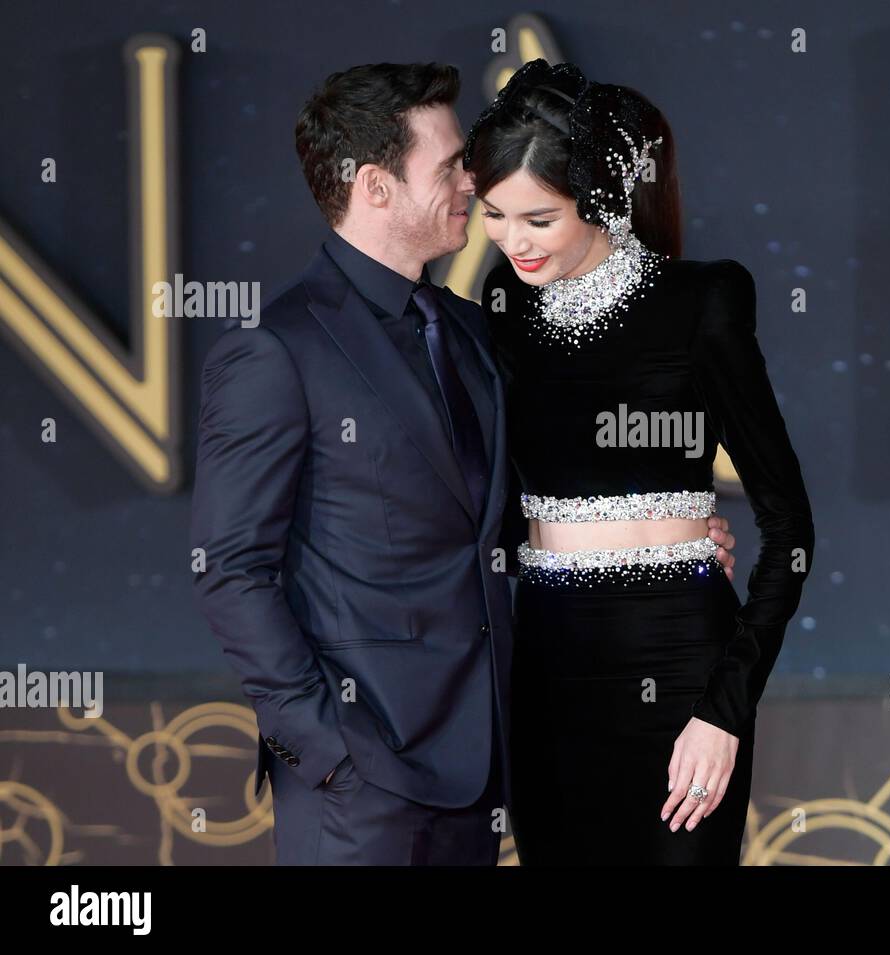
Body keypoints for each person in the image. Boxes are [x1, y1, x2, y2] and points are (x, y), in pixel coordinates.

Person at [189, 59, 741, 865]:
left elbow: (494, 516)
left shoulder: (471, 327)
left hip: (484, 774)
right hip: (362, 787)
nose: (474, 183)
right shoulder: (276, 351)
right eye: (450, 165)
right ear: (375, 186)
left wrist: (653, 541)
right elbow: (230, 569)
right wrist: (326, 750)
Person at [465, 59, 815, 864]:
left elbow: (789, 523)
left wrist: (726, 709)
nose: (514, 241)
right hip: (548, 663)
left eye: (539, 219)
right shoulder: (503, 308)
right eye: (494, 216)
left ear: (597, 199)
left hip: (678, 657)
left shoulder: (702, 302)